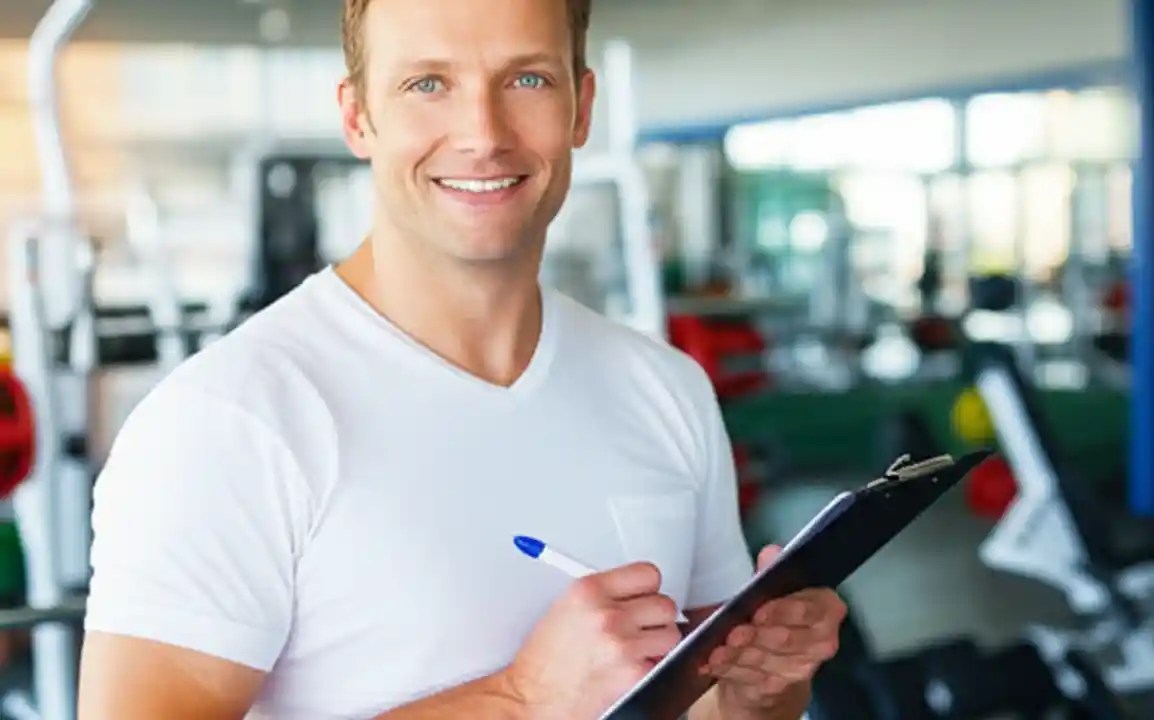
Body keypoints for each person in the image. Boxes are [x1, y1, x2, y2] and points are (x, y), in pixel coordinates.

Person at [77, 0, 847, 717]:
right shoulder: (226, 420)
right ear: (357, 116)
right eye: (427, 83)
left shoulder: (666, 387)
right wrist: (519, 699)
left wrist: (760, 694)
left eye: (527, 78)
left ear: (581, 106)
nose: (483, 132)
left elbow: (700, 705)